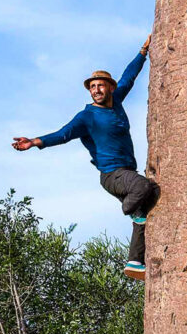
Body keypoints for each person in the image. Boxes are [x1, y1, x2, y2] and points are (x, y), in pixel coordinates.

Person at [12, 36, 157, 279]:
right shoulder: (86, 117)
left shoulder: (117, 100)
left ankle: (135, 261)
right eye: (92, 87)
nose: (96, 90)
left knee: (145, 208)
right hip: (113, 175)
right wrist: (35, 141)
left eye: (100, 86)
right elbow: (63, 134)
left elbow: (129, 76)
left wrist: (143, 51)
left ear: (110, 88)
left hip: (126, 172)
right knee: (143, 187)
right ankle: (128, 207)